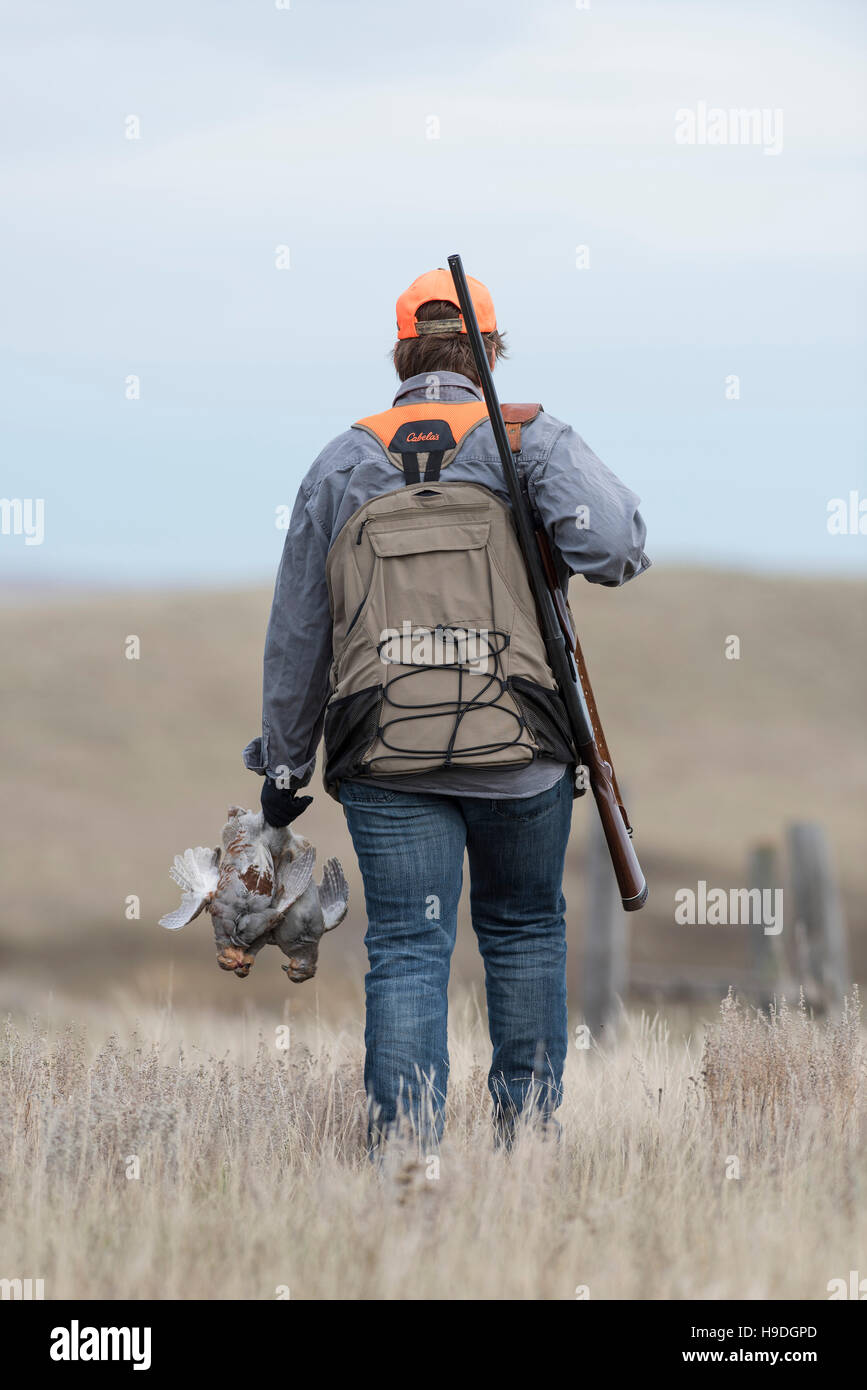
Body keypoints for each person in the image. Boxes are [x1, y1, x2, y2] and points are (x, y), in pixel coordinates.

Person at [244, 267, 650, 1149]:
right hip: (522, 747)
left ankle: (405, 1158)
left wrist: (285, 769)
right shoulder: (526, 438)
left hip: (384, 754)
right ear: (490, 349)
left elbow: (298, 632)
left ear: (402, 355)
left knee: (407, 950)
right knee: (524, 932)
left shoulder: (342, 458)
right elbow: (616, 547)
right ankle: (527, 1146)